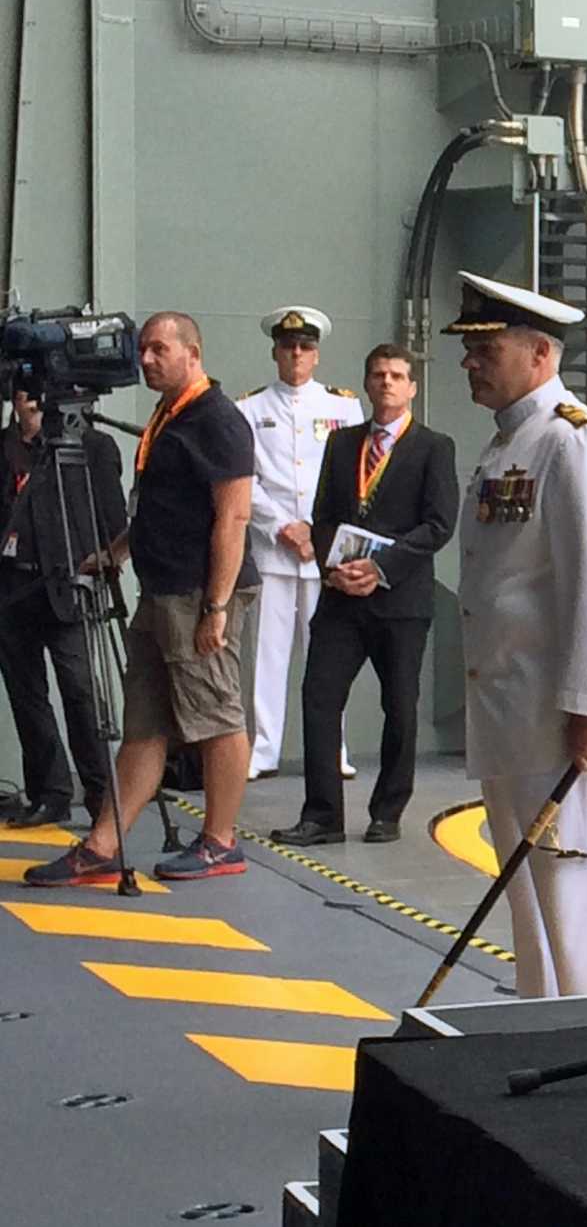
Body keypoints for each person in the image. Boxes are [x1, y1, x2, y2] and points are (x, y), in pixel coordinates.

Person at [446, 274, 587, 997]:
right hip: (511, 705)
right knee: (530, 900)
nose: (470, 363)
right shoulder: (510, 443)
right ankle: (546, 1022)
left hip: (561, 717)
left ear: (537, 353)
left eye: (485, 349)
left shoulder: (575, 441)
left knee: (576, 892)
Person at [29, 313, 259, 886]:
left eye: (160, 349)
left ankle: (220, 842)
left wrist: (217, 607)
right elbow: (162, 506)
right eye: (143, 350)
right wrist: (117, 552)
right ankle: (103, 846)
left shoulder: (218, 420)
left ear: (193, 352)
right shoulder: (169, 414)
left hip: (199, 593)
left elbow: (232, 516)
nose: (147, 359)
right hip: (161, 591)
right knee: (145, 726)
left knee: (217, 717)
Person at [271, 344, 460, 847]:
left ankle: (387, 811)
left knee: (399, 705)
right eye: (378, 374)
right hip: (341, 596)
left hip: (400, 600)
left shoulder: (433, 447)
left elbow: (439, 525)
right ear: (367, 381)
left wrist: (380, 567)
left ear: (412, 386)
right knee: (318, 696)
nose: (387, 383)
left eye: (398, 375)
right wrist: (336, 565)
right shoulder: (342, 443)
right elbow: (324, 515)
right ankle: (322, 816)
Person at [239, 306, 365, 781]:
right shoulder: (249, 407)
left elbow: (351, 478)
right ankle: (264, 750)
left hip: (323, 551)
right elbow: (244, 480)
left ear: (316, 355)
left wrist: (316, 530)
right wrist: (281, 526)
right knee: (267, 657)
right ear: (275, 351)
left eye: (305, 347)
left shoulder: (342, 406)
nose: (296, 354)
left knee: (329, 654)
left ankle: (332, 750)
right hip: (274, 549)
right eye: (288, 346)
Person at [0, 383, 127, 826]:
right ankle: (50, 793)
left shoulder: (90, 445)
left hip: (69, 585)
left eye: (39, 395)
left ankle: (99, 794)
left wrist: (107, 563)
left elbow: (113, 517)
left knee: (80, 691)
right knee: (26, 695)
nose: (31, 403)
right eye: (23, 394)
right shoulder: (4, 448)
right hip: (11, 589)